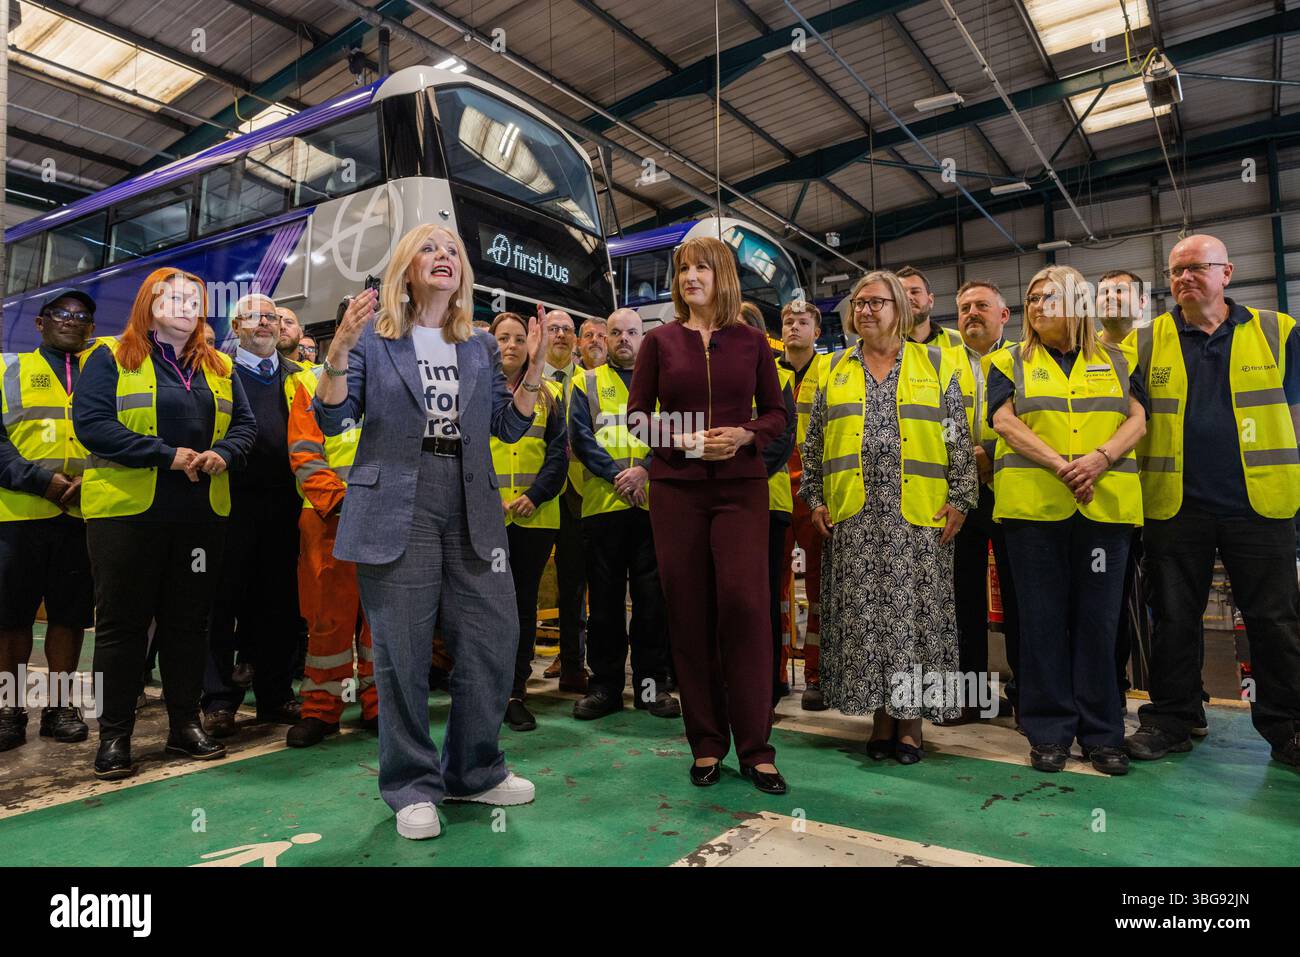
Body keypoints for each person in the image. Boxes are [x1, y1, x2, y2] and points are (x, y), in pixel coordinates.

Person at [314, 224, 548, 840]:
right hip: (398, 501)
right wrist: (338, 353)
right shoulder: (375, 339)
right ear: (405, 268)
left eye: (452, 250)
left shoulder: (476, 346)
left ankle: (474, 769)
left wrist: (535, 371)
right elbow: (334, 414)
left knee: (494, 638)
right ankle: (411, 784)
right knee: (403, 654)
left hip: (471, 502)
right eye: (429, 247)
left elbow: (508, 426)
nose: (443, 256)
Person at [72, 268, 256, 780]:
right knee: (121, 627)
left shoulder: (219, 365)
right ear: (148, 305)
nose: (185, 304)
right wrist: (165, 455)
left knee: (189, 625)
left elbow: (245, 425)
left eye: (194, 298)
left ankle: (183, 726)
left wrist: (223, 454)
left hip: (200, 518)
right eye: (172, 296)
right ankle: (114, 736)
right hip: (127, 517)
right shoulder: (110, 356)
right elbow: (93, 426)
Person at [1125, 234, 1300, 769]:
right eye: (1175, 271)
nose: (1184, 279)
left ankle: (1288, 727)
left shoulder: (1278, 331)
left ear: (1228, 271)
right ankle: (1175, 718)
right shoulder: (1145, 341)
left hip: (1260, 503)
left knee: (1274, 619)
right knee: (1174, 618)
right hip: (1176, 504)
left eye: (1196, 268)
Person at [628, 238, 789, 794]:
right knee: (689, 611)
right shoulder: (658, 342)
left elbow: (776, 414)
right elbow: (636, 421)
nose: (689, 277)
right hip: (677, 491)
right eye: (682, 269)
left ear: (723, 276)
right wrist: (686, 443)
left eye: (700, 268)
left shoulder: (752, 343)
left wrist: (745, 434)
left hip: (741, 489)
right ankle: (706, 743)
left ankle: (757, 747)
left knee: (746, 607)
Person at [802, 271, 976, 766]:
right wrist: (815, 497)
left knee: (914, 621)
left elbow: (956, 437)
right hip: (854, 519)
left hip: (918, 518)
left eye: (876, 302)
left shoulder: (935, 364)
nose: (865, 311)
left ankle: (911, 725)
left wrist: (961, 499)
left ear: (900, 308)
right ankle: (881, 719)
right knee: (868, 623)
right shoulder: (833, 369)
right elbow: (813, 444)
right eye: (858, 303)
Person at [987, 264, 1147, 775]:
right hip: (1034, 510)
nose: (1036, 306)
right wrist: (1061, 465)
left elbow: (1139, 418)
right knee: (1041, 622)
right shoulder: (1008, 360)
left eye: (1047, 297)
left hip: (1104, 511)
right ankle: (1049, 730)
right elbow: (1003, 421)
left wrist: (1099, 459)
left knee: (1098, 624)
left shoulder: (1119, 359)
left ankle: (1103, 733)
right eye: (1031, 298)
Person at [201, 294, 316, 737]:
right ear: (237, 323)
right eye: (255, 317)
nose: (265, 324)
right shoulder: (215, 369)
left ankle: (274, 694)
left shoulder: (299, 377)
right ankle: (218, 699)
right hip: (227, 501)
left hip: (284, 504)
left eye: (272, 317)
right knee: (221, 603)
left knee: (279, 604)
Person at [568, 308, 679, 721]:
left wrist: (645, 470)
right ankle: (606, 688)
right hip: (604, 506)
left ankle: (652, 688)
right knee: (606, 606)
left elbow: (672, 433)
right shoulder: (586, 382)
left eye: (632, 332)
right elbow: (580, 439)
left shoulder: (665, 383)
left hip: (654, 508)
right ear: (605, 337)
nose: (623, 339)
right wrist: (622, 477)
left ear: (644, 336)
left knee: (652, 604)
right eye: (615, 332)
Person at [0, 290, 97, 751]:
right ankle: (7, 708)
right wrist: (43, 482)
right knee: (10, 618)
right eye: (61, 313)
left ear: (91, 329)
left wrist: (89, 484)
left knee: (70, 616)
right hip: (17, 515)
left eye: (81, 317)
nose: (71, 321)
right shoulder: (6, 369)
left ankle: (60, 707)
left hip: (83, 514)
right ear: (40, 323)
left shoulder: (104, 373)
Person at [284, 356, 376, 748]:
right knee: (326, 619)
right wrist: (341, 501)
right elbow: (304, 449)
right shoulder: (312, 380)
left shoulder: (403, 372)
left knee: (385, 621)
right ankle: (321, 710)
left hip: (390, 515)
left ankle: (382, 706)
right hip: (328, 518)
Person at [490, 312, 568, 732]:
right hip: (487, 521)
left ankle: (514, 692)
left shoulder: (551, 393)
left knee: (522, 607)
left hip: (535, 520)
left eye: (520, 338)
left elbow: (559, 456)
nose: (512, 346)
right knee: (486, 608)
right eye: (503, 338)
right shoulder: (476, 390)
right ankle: (484, 690)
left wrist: (533, 496)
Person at [950, 280, 1020, 724]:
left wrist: (991, 454)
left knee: (1022, 599)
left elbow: (1039, 418)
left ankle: (1028, 695)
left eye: (981, 306)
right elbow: (931, 419)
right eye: (963, 308)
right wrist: (965, 456)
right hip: (959, 494)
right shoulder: (942, 363)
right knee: (962, 601)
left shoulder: (1025, 358)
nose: (971, 313)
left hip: (1013, 490)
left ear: (1004, 315)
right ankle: (970, 697)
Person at [1096, 270, 1153, 711]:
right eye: (1104, 292)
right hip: (1108, 498)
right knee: (1110, 607)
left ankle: (1171, 697)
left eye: (1121, 292)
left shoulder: (1161, 344)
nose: (1111, 298)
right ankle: (1111, 691)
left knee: (1167, 604)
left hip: (1166, 493)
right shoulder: (1088, 352)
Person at [738, 303, 797, 706]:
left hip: (766, 501)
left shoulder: (780, 376)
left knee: (765, 597)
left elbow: (783, 435)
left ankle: (769, 686)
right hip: (723, 501)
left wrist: (745, 474)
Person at [779, 300, 830, 710]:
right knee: (772, 588)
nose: (794, 327)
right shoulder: (766, 372)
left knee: (819, 588)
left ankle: (816, 674)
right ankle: (775, 671)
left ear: (817, 331)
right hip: (773, 492)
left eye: (803, 322)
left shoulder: (833, 372)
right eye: (788, 322)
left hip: (816, 496)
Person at [539, 310, 588, 690]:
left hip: (576, 496)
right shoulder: (527, 379)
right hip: (535, 497)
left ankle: (573, 666)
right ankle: (514, 673)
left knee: (573, 588)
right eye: (553, 328)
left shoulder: (588, 381)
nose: (560, 335)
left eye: (567, 330)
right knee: (524, 589)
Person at [898, 266, 964, 349]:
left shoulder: (960, 341)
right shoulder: (882, 347)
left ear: (931, 300)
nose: (908, 297)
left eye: (915, 292)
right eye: (901, 294)